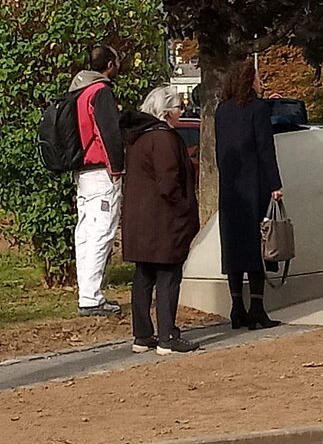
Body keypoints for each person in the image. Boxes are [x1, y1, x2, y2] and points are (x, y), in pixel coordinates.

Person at [119, 86, 200, 355]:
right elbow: (169, 182)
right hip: (164, 220)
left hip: (140, 221)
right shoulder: (163, 138)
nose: (181, 113)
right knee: (168, 276)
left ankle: (142, 335)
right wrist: (184, 208)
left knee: (144, 276)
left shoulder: (138, 137)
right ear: (166, 111)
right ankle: (167, 335)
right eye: (178, 108)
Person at [215, 58, 284, 330]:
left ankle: (236, 307)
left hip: (230, 188)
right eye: (257, 77)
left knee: (233, 247)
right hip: (254, 185)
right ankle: (257, 307)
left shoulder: (221, 111)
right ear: (248, 80)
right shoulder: (258, 109)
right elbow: (265, 149)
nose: (260, 82)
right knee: (258, 246)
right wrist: (275, 184)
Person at [69, 45, 125, 316]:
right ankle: (92, 298)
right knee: (102, 232)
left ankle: (86, 293)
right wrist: (117, 168)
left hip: (82, 171)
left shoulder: (78, 90)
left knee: (86, 233)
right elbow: (108, 133)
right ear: (110, 65)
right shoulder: (100, 91)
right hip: (101, 171)